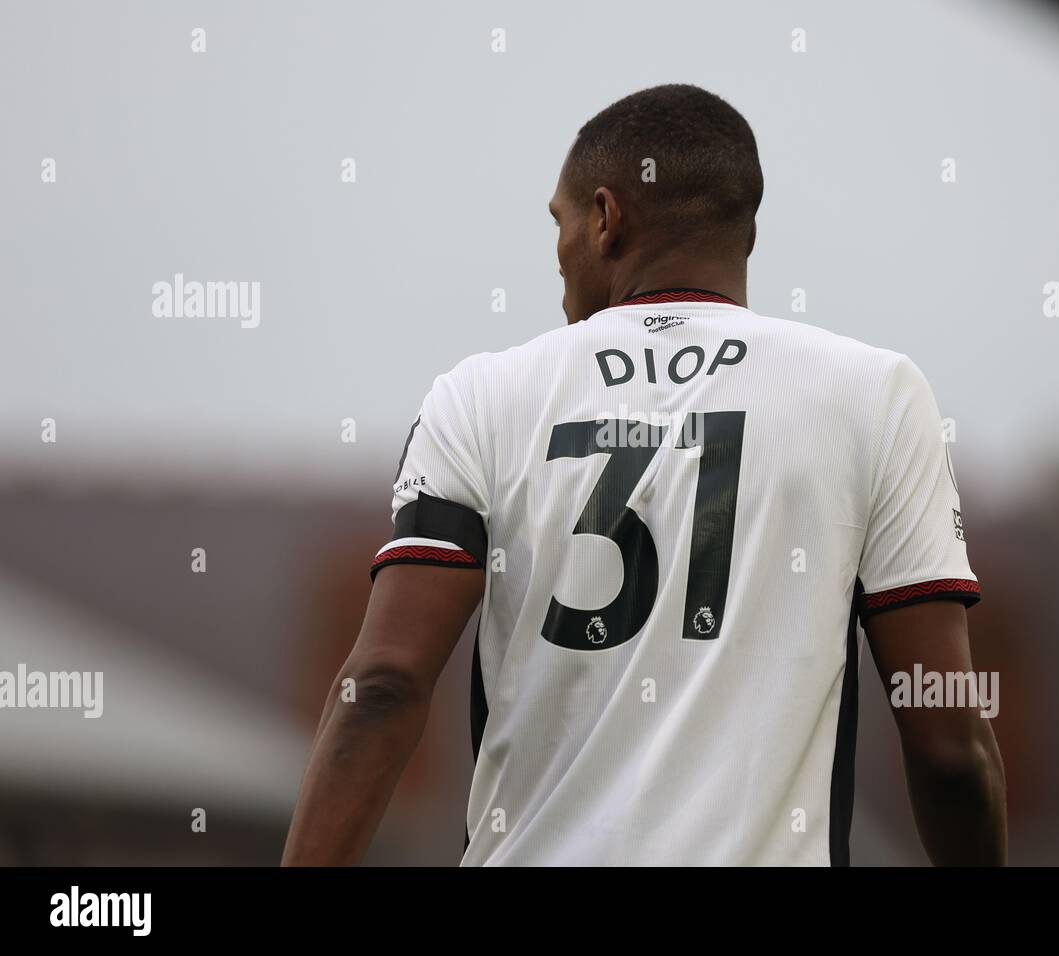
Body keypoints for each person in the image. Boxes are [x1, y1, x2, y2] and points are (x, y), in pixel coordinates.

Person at [282, 84, 1006, 866]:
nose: (557, 258)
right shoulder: (874, 393)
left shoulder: (479, 396)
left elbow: (384, 685)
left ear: (604, 218)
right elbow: (948, 745)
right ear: (745, 232)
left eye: (558, 224)